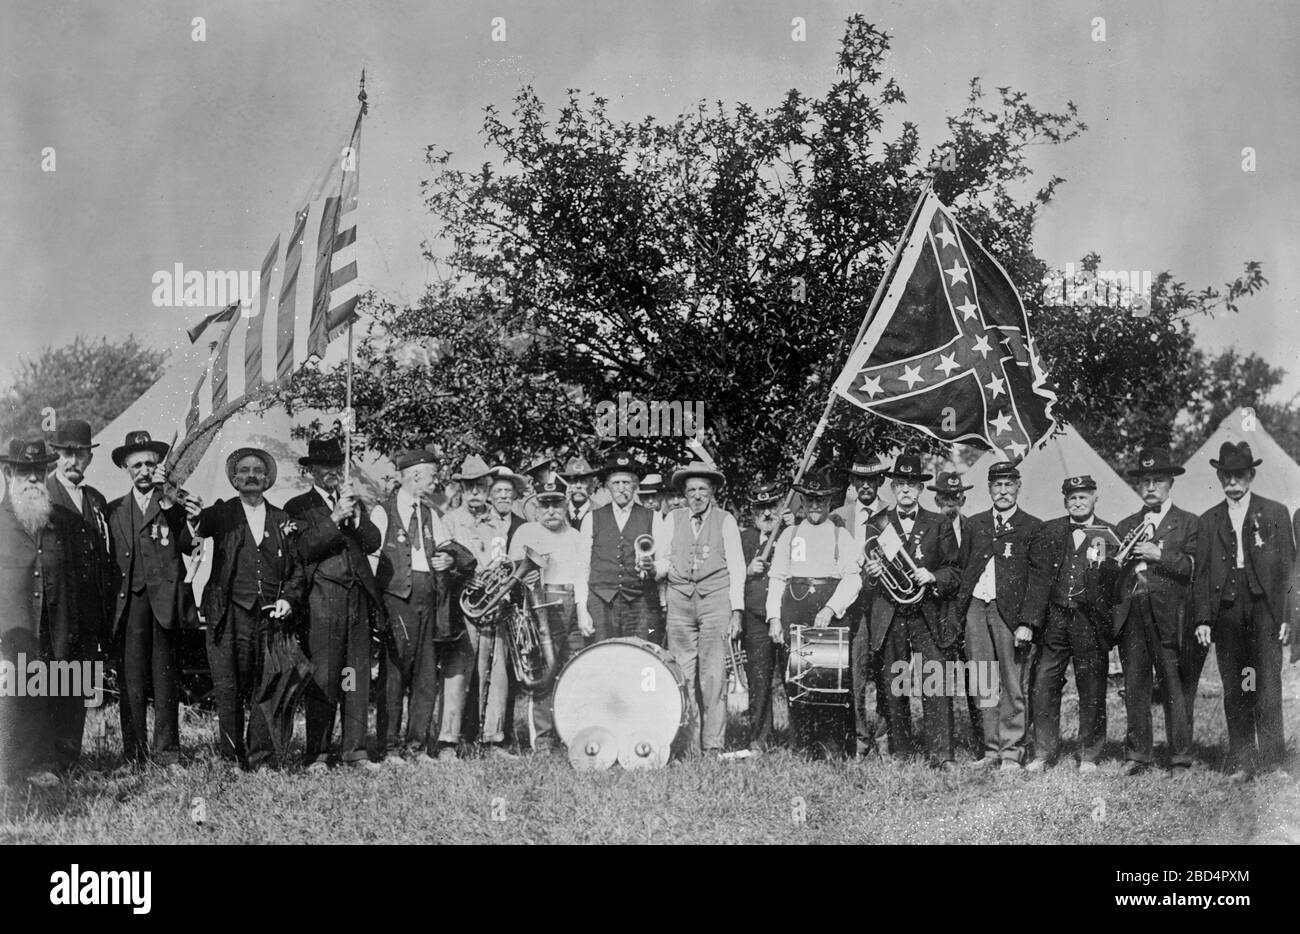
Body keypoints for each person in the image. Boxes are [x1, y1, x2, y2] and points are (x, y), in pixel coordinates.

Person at [194, 448, 306, 771]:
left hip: (270, 617)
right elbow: (194, 530)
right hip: (230, 615)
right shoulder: (222, 514)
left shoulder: (282, 519)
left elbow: (297, 570)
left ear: (268, 479)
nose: (252, 475)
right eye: (244, 470)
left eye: (258, 470)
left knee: (267, 685)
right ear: (233, 479)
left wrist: (289, 599)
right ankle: (231, 757)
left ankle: (262, 758)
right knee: (229, 688)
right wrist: (191, 516)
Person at [1191, 442, 1294, 782]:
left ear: (1251, 475)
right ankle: (1242, 760)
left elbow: (1287, 570)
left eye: (1239, 475)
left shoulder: (1275, 513)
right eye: (1227, 475)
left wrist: (1287, 617)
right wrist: (1204, 618)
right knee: (1238, 685)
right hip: (1228, 611)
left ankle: (1273, 760)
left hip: (1264, 609)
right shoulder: (1209, 520)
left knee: (1265, 682)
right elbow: (1202, 573)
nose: (1233, 481)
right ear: (1220, 477)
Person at [285, 438, 385, 773]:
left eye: (336, 466)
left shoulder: (354, 503)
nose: (331, 472)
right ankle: (318, 753)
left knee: (353, 677)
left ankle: (354, 750)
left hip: (356, 603)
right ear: (311, 471)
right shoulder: (298, 506)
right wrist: (334, 517)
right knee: (325, 679)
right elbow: (304, 549)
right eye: (324, 466)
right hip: (322, 604)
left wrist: (354, 516)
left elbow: (373, 542)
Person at [370, 449, 474, 765]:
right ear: (415, 475)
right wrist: (376, 609)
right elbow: (371, 562)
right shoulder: (382, 511)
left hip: (429, 599)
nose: (434, 481)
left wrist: (449, 558)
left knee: (426, 675)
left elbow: (452, 551)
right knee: (395, 674)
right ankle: (389, 748)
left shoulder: (430, 513)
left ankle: (415, 747)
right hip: (396, 599)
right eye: (431, 475)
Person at [105, 430, 201, 769]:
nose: (144, 470)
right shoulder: (113, 510)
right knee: (131, 682)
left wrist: (172, 502)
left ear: (158, 466)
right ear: (126, 469)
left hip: (164, 605)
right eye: (137, 465)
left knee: (165, 680)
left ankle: (167, 753)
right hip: (129, 606)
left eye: (150, 463)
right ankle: (133, 754)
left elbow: (191, 544)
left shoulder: (171, 503)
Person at [860, 454, 961, 769]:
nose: (906, 489)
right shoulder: (877, 523)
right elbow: (866, 571)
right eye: (900, 484)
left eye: (912, 484)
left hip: (928, 612)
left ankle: (941, 754)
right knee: (896, 684)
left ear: (920, 489)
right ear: (892, 487)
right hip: (890, 611)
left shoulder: (939, 523)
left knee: (935, 682)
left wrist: (932, 576)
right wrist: (872, 572)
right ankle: (901, 751)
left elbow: (954, 571)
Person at [0, 439, 86, 785]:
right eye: (25, 472)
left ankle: (52, 762)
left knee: (59, 692)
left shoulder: (61, 520)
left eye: (39, 471)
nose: (34, 479)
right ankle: (18, 767)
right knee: (16, 701)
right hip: (13, 633)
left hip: (54, 627)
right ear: (9, 474)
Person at [1110, 447, 1198, 777]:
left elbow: (1193, 567)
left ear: (1170, 483)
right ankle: (1137, 755)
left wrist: (1158, 553)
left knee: (1173, 686)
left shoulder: (1189, 523)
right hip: (1133, 611)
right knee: (1135, 684)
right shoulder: (1125, 524)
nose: (1150, 487)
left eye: (1157, 480)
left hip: (1169, 614)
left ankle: (1180, 758)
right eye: (1144, 481)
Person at [1022, 475, 1116, 774]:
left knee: (1092, 686)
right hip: (1056, 619)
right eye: (1072, 497)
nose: (1078, 501)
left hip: (1089, 621)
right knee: (1044, 683)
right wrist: (1030, 622)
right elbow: (1037, 581)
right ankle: (1043, 751)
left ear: (1095, 498)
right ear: (1065, 500)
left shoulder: (1106, 533)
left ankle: (1089, 754)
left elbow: (1114, 588)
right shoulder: (1050, 530)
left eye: (1083, 496)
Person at [766, 467, 862, 757]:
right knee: (797, 680)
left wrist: (832, 607)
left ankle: (832, 746)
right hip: (795, 611)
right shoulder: (789, 535)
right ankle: (803, 745)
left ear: (830, 502)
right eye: (810, 500)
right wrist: (773, 618)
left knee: (828, 681)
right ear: (803, 503)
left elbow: (853, 577)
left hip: (827, 613)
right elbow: (777, 577)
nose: (815, 506)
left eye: (821, 500)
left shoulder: (840, 536)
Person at [653, 460, 746, 756]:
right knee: (682, 674)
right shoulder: (673, 519)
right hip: (680, 601)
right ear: (683, 492)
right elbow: (664, 560)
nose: (696, 495)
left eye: (702, 489)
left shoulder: (725, 520)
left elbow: (737, 567)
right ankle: (688, 744)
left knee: (713, 676)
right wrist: (650, 568)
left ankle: (713, 744)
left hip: (715, 601)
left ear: (713, 490)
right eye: (691, 489)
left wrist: (736, 610)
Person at [955, 461, 1042, 771]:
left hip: (1011, 614)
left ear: (1018, 487)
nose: (1003, 491)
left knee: (1012, 682)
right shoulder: (975, 524)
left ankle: (1011, 752)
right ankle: (991, 749)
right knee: (983, 681)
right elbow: (964, 568)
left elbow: (1038, 580)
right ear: (989, 488)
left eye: (1008, 484)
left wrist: (1027, 623)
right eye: (997, 485)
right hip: (977, 607)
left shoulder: (1032, 526)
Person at [45, 419, 114, 770]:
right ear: (57, 455)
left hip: (89, 612)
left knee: (79, 684)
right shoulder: (41, 495)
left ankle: (69, 759)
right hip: (55, 613)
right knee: (51, 685)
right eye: (66, 454)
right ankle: (46, 761)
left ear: (89, 457)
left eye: (80, 454)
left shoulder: (96, 500)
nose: (73, 461)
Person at [442, 457, 520, 758]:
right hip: (463, 608)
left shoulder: (499, 521)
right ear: (462, 488)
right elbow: (445, 563)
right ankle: (449, 740)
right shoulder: (450, 520)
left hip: (494, 606)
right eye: (469, 486)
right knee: (457, 673)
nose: (475, 492)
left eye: (480, 486)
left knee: (498, 672)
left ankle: (493, 739)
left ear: (487, 487)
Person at [508, 472, 587, 752]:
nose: (551, 510)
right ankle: (541, 738)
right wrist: (523, 578)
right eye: (545, 505)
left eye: (557, 504)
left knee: (573, 669)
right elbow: (512, 571)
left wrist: (583, 611)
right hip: (540, 603)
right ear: (536, 507)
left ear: (566, 505)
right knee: (543, 670)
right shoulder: (526, 532)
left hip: (572, 604)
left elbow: (582, 577)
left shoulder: (575, 535)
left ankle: (569, 732)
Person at [577, 450, 660, 643]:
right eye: (616, 483)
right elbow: (582, 567)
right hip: (600, 601)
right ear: (607, 487)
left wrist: (654, 567)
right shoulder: (591, 518)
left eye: (626, 482)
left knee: (638, 656)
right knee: (602, 658)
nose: (621, 488)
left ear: (635, 486)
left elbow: (666, 559)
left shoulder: (652, 517)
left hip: (639, 602)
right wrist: (582, 609)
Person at [738, 481, 782, 753]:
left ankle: (800, 738)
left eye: (771, 506)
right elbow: (728, 576)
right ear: (753, 510)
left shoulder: (791, 534)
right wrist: (747, 569)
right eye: (761, 507)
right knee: (759, 681)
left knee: (794, 679)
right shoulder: (744, 540)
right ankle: (760, 740)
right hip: (755, 617)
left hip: (786, 617)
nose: (766, 513)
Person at [561, 456, 599, 530]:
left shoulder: (600, 512)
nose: (578, 486)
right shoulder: (559, 511)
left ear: (591, 483)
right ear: (567, 483)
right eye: (573, 481)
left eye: (583, 480)